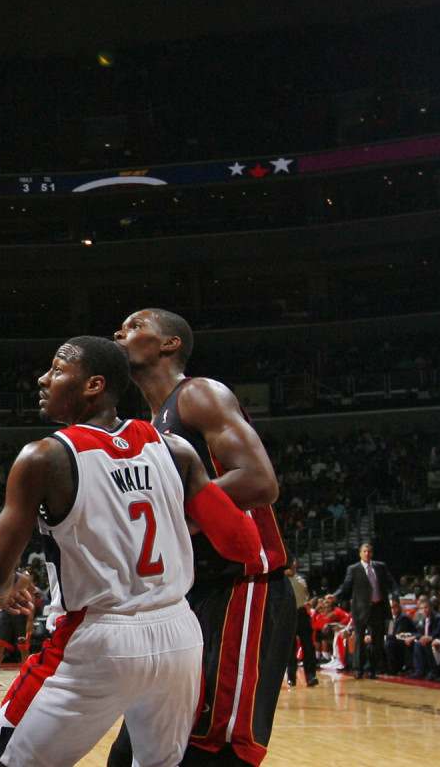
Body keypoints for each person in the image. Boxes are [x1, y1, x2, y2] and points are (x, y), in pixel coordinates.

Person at [0, 337, 263, 767]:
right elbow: (241, 543)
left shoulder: (43, 457)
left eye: (57, 370)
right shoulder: (176, 449)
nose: (43, 378)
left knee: (7, 761)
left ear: (93, 385)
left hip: (99, 638)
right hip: (179, 636)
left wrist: (10, 583)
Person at [110, 310, 292, 767]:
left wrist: (172, 515)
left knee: (216, 744)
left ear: (169, 344)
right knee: (137, 744)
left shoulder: (198, 395)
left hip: (242, 586)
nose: (119, 333)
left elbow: (258, 480)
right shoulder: (147, 429)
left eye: (134, 327)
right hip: (187, 596)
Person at [333, 543, 396, 679]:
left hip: (378, 606)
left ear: (372, 554)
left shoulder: (380, 567)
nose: (367, 554)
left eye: (369, 551)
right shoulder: (354, 569)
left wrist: (396, 594)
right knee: (359, 639)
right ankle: (358, 669)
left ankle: (372, 668)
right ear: (360, 554)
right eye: (364, 551)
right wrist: (336, 595)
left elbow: (391, 583)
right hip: (361, 609)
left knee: (377, 640)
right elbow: (346, 585)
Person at [283, 563, 320, 688]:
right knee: (290, 648)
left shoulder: (304, 578)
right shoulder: (280, 580)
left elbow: (314, 595)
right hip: (287, 615)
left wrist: (312, 602)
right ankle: (291, 677)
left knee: (308, 646)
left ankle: (311, 676)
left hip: (302, 614)